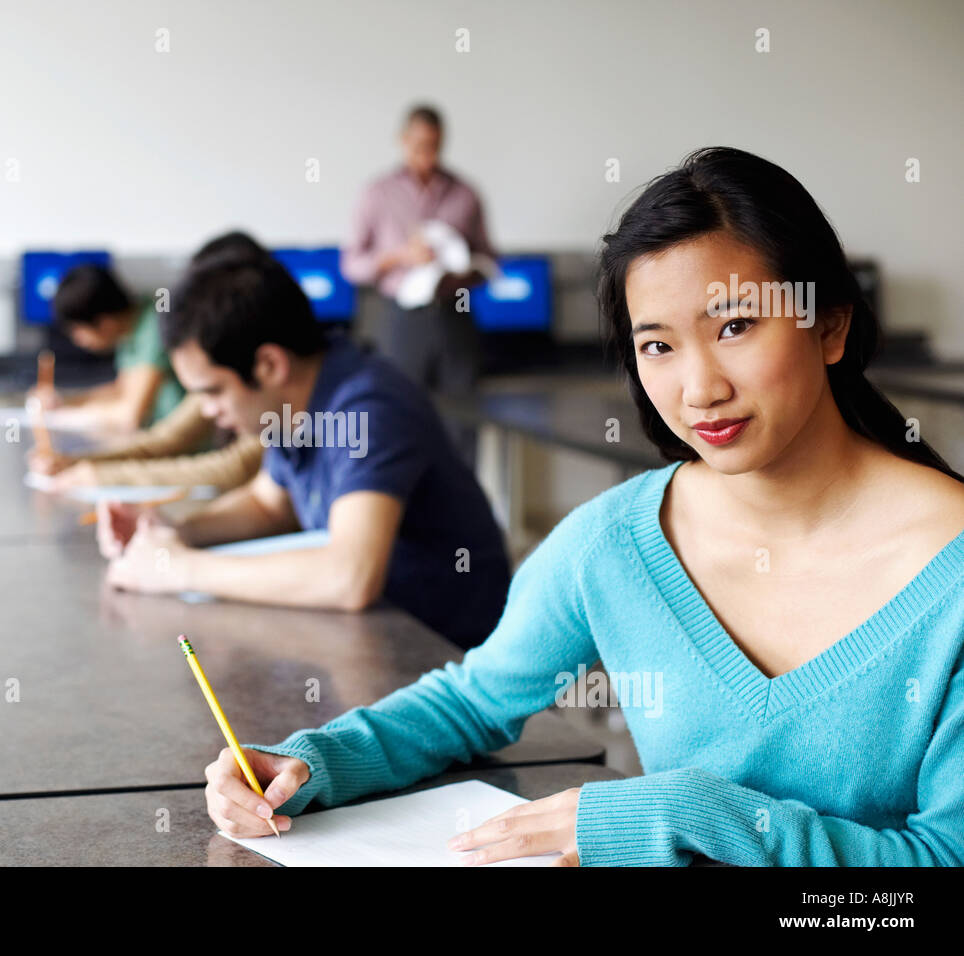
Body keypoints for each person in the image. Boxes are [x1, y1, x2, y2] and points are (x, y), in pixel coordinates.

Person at [202, 147, 964, 867]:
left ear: (829, 324)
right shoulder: (618, 541)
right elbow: (474, 702)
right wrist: (313, 761)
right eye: (658, 345)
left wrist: (688, 813)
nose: (700, 389)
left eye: (736, 326)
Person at [99, 236, 511, 650]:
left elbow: (350, 577)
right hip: (378, 635)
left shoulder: (367, 410)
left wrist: (181, 569)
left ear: (270, 365)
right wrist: (176, 532)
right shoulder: (291, 402)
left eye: (213, 392)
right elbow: (268, 504)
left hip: (447, 654)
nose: (207, 411)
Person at [26, 233, 273, 492]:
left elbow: (234, 466)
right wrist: (75, 462)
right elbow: (167, 438)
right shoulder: (226, 354)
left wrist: (103, 475)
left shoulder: (263, 366)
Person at [342, 103, 497, 463]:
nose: (427, 156)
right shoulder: (376, 194)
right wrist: (399, 256)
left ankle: (459, 511)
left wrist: (465, 271)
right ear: (402, 141)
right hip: (401, 319)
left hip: (454, 314)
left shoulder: (465, 194)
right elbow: (352, 265)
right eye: (419, 146)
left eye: (435, 146)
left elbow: (489, 255)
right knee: (397, 413)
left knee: (462, 420)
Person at [27, 263, 184, 436]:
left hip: (186, 448)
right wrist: (64, 402)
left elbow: (131, 416)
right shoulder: (132, 327)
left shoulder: (154, 327)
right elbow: (123, 389)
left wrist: (65, 417)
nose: (78, 340)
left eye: (78, 331)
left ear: (105, 322)